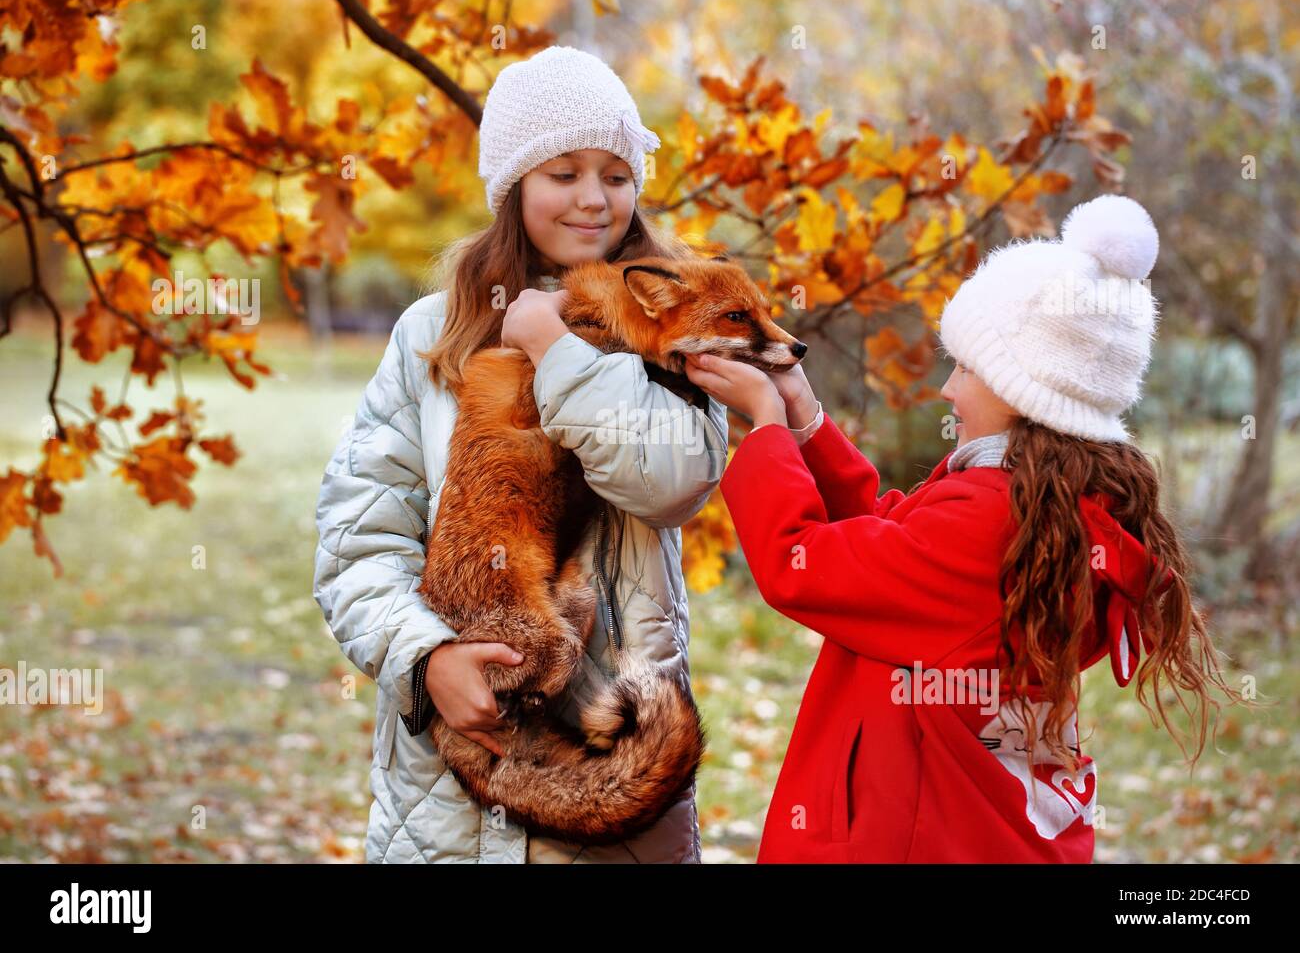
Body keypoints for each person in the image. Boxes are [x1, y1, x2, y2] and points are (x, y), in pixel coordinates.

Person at [684, 194, 1240, 862]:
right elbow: (891, 551)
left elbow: (799, 562)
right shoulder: (1048, 504)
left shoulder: (991, 521)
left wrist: (767, 425)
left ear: (1025, 391)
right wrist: (805, 418)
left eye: (969, 368)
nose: (949, 389)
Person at [312, 45, 728, 863]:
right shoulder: (434, 333)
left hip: (611, 753)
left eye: (616, 173)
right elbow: (357, 536)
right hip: (445, 794)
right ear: (513, 187)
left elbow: (669, 481)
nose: (593, 198)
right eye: (563, 172)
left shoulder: (672, 322)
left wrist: (560, 354)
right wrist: (424, 659)